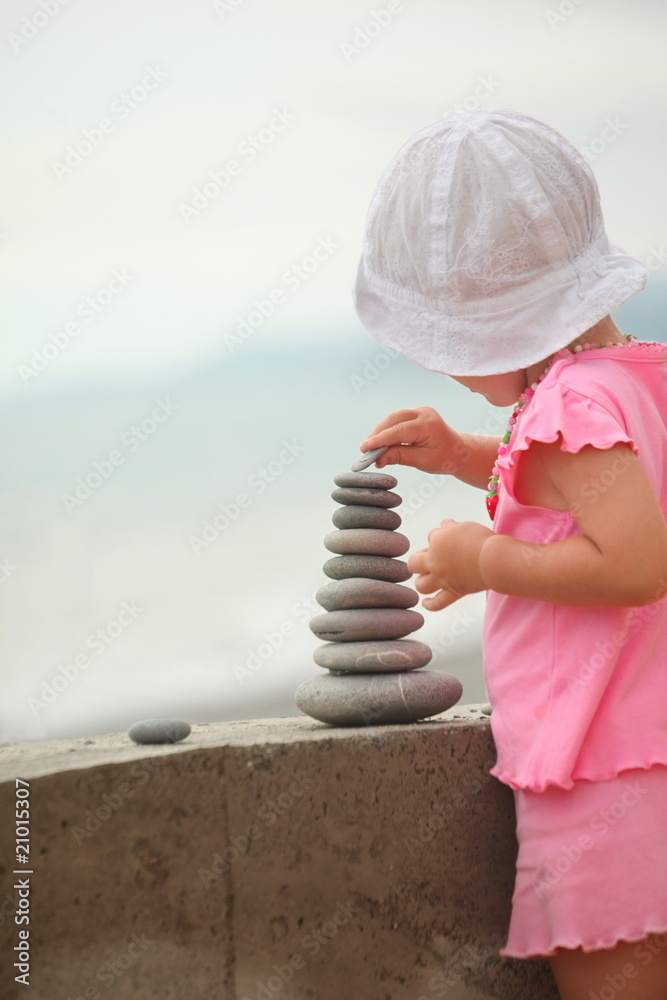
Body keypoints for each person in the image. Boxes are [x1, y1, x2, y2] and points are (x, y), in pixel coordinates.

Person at [354, 108, 667, 1000]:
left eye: (454, 351)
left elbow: (634, 562)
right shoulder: (636, 377)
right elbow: (589, 507)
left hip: (604, 769)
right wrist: (466, 458)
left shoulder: (568, 405)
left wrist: (478, 561)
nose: (451, 371)